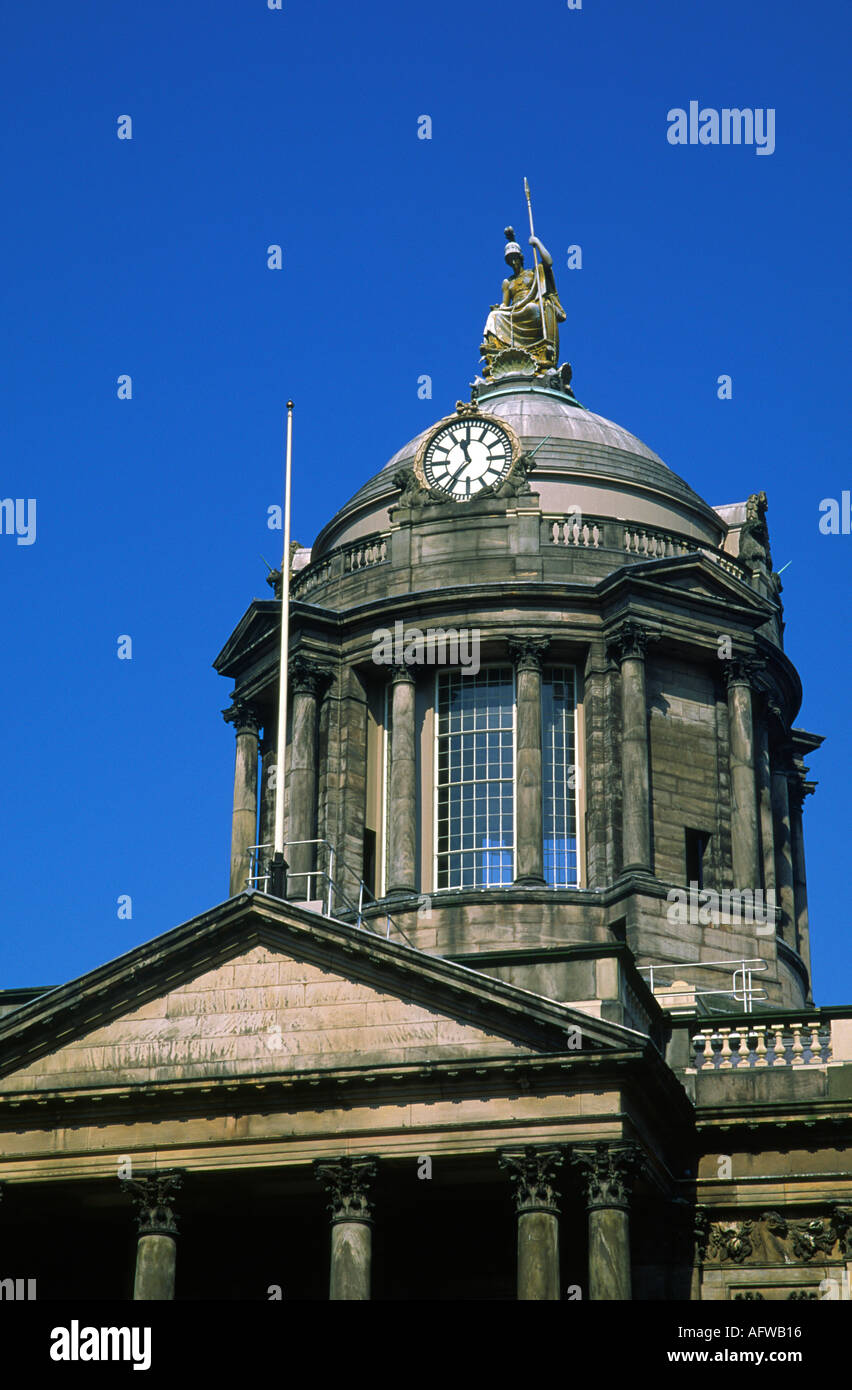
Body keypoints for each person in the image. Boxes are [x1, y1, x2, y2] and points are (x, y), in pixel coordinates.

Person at [481, 227, 566, 368]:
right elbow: (504, 303)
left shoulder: (533, 272)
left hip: (530, 305)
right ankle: (493, 347)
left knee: (532, 308)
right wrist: (499, 308)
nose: (513, 262)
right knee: (493, 316)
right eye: (510, 259)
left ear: (521, 258)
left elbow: (549, 262)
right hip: (514, 309)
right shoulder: (508, 282)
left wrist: (537, 242)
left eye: (515, 258)